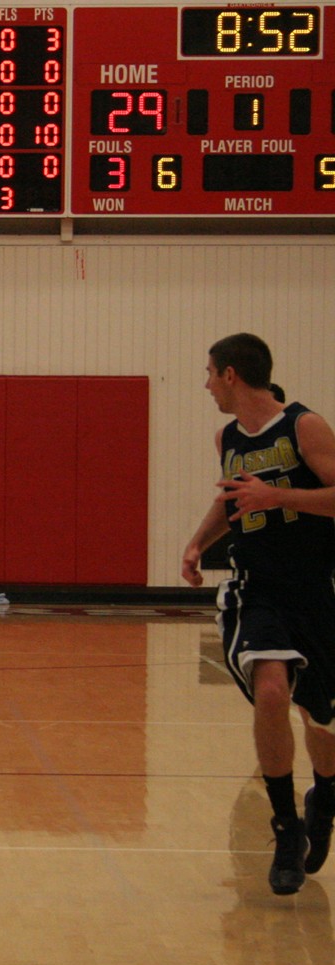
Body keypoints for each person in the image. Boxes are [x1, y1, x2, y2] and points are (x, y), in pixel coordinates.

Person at [182, 333, 335, 895]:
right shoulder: (227, 437)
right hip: (257, 588)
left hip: (314, 590)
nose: (206, 385)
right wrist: (198, 542)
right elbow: (231, 500)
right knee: (271, 691)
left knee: (321, 719)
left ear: (231, 374)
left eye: (209, 373)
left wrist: (280, 497)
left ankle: (326, 796)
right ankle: (286, 828)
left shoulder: (303, 426)